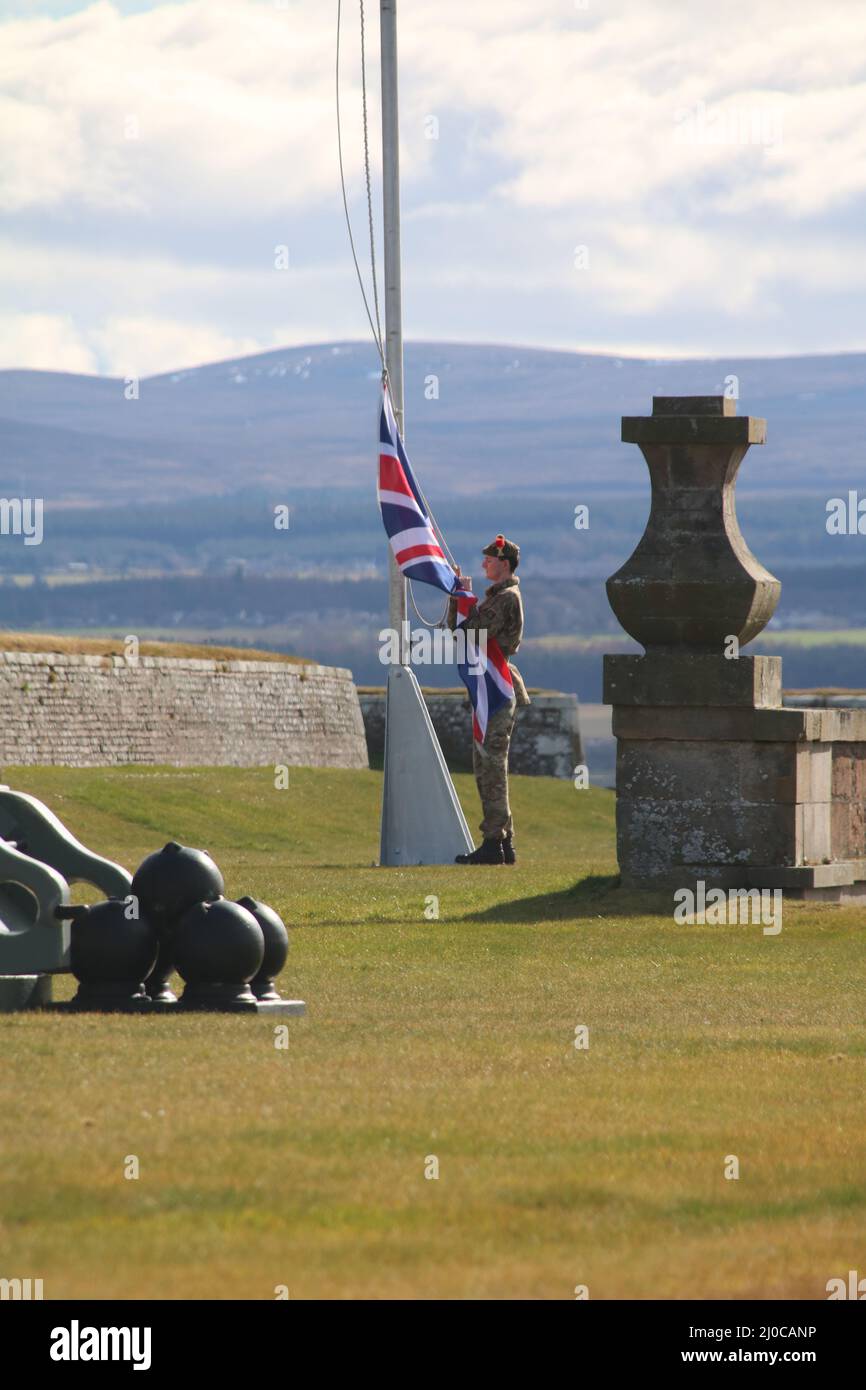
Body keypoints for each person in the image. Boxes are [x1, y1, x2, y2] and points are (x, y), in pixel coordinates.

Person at [448, 534, 530, 865]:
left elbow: (474, 630)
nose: (484, 563)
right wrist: (460, 598)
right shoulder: (499, 597)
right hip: (491, 686)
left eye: (490, 560)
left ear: (504, 564)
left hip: (496, 689)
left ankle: (494, 842)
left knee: (491, 766)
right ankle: (502, 841)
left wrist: (462, 596)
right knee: (486, 764)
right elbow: (463, 629)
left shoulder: (507, 598)